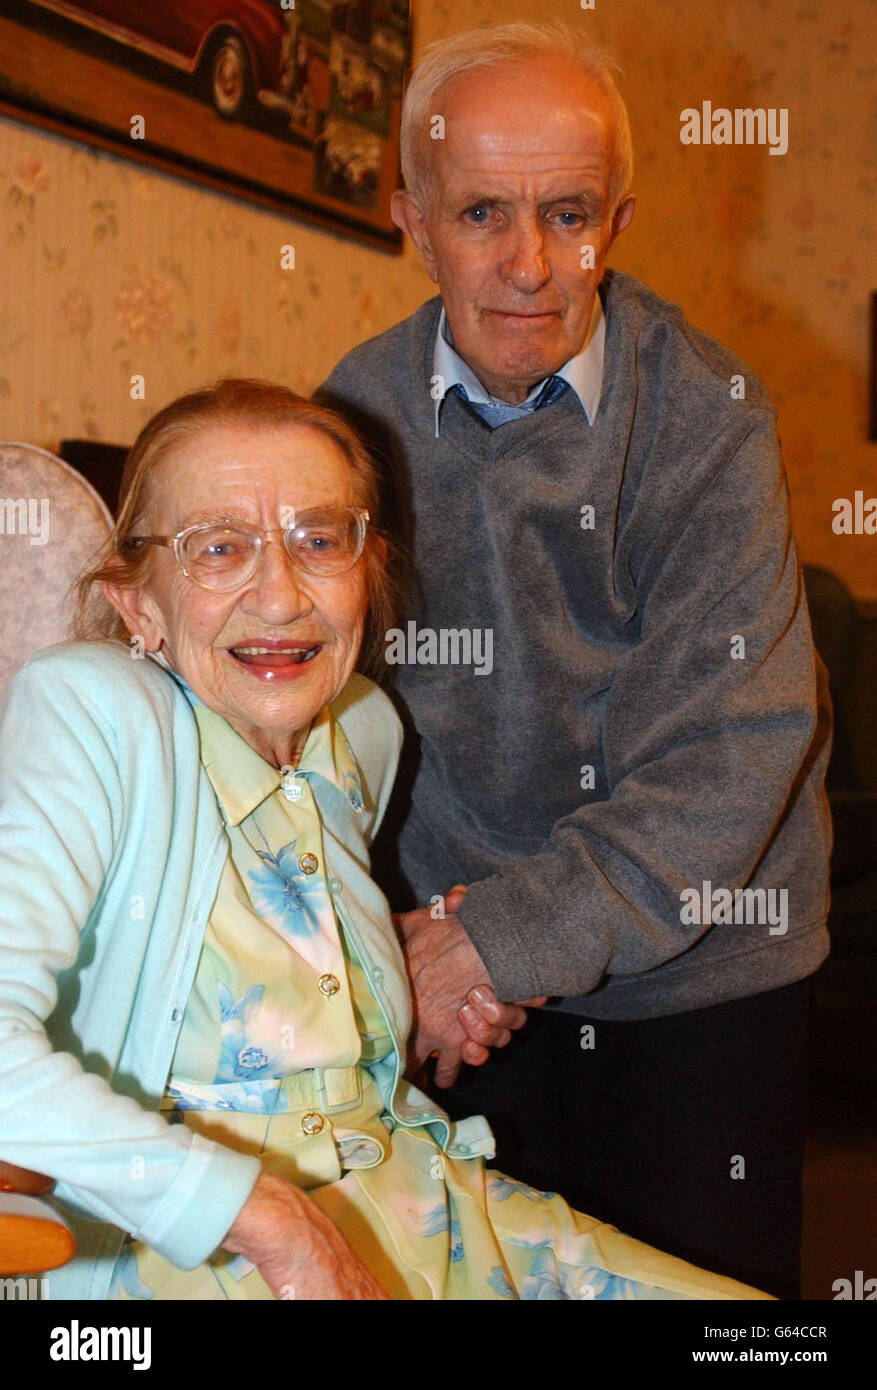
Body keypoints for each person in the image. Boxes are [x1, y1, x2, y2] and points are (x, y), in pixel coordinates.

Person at [0, 378, 770, 1301]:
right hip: (194, 1254)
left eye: (319, 540)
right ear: (138, 605)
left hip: (415, 1204)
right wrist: (271, 1220)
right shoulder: (94, 708)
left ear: (368, 567)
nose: (280, 597)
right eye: (219, 548)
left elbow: (294, 1037)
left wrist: (393, 992)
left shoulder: (360, 727)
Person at [317, 22, 833, 1300]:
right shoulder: (349, 415)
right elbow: (319, 707)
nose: (530, 264)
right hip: (451, 970)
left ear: (617, 222)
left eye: (568, 213)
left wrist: (501, 939)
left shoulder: (707, 418)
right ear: (412, 221)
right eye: (481, 213)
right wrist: (411, 944)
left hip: (697, 970)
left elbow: (729, 752)